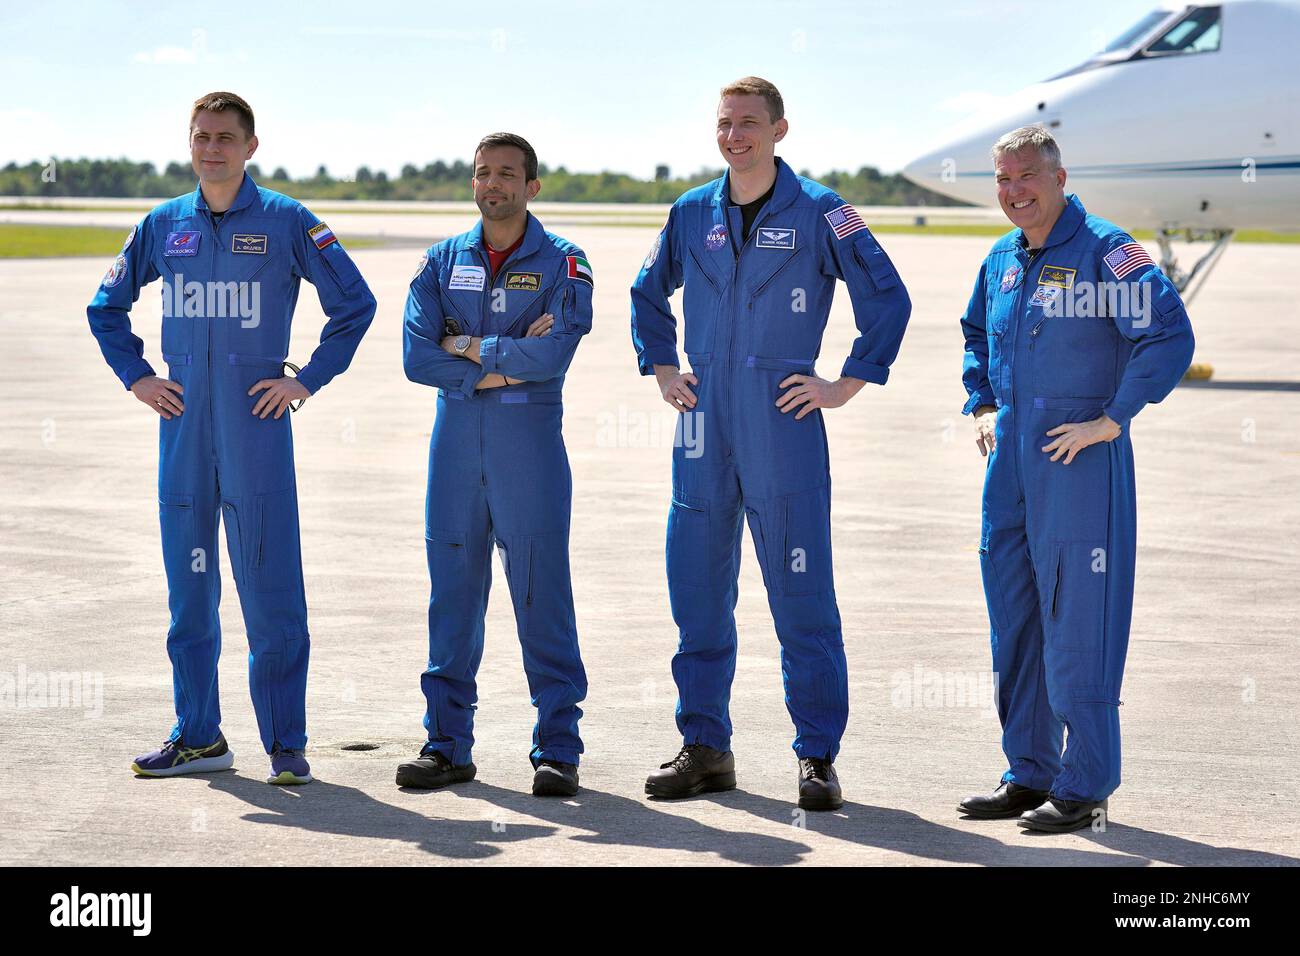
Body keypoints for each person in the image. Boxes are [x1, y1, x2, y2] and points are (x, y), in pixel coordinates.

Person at [630, 77, 911, 810]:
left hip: (781, 420)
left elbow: (887, 298)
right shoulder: (691, 211)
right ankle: (705, 748)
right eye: (724, 123)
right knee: (696, 592)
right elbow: (645, 292)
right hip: (702, 424)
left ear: (780, 129)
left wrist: (846, 382)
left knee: (801, 595)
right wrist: (663, 368)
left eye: (748, 123)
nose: (734, 136)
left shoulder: (824, 211)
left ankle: (816, 757)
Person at [86, 91, 376, 785]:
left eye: (224, 137)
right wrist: (139, 378)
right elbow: (106, 308)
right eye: (200, 136)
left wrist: (304, 381)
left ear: (251, 146)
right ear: (190, 145)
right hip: (182, 436)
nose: (211, 148)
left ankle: (286, 745)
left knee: (271, 592)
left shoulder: (287, 222)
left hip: (257, 434)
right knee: (190, 599)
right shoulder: (162, 226)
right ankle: (198, 736)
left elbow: (354, 306)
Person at [956, 125, 1194, 832]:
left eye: (1027, 176)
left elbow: (1169, 334)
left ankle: (1086, 784)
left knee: (1078, 622)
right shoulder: (1001, 258)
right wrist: (984, 405)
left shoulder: (1105, 252)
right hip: (1011, 466)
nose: (1015, 191)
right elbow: (975, 335)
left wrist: (1113, 418)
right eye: (1002, 179)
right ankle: (1029, 772)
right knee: (1016, 619)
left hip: (1079, 461)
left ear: (1060, 177)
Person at [397, 132, 592, 798]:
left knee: (541, 595)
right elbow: (417, 357)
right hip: (454, 453)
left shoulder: (565, 263)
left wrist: (470, 347)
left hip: (528, 453)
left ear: (532, 187)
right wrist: (502, 363)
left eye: (507, 174)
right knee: (451, 598)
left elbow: (555, 356)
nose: (493, 185)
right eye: (483, 174)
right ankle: (446, 745)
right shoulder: (439, 261)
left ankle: (558, 749)